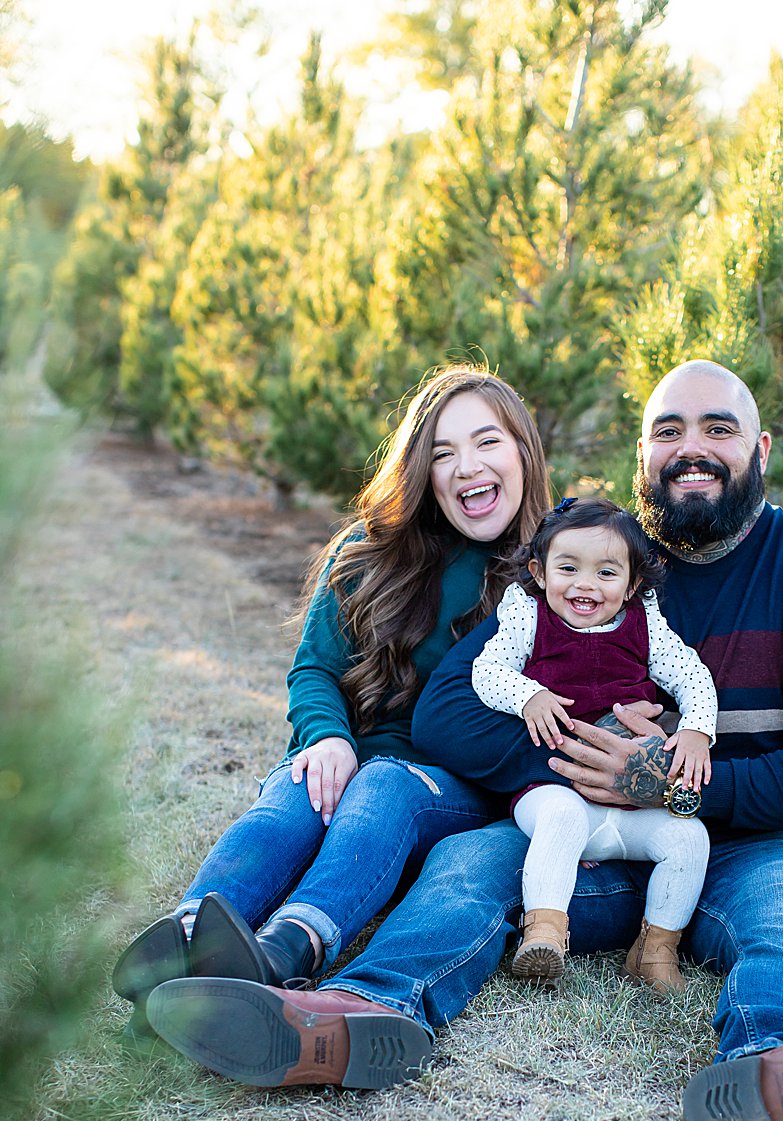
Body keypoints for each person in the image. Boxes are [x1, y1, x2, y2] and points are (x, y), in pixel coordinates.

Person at [143, 359, 783, 1121]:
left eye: (719, 429)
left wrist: (665, 783)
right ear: (641, 455)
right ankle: (354, 1014)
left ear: (760, 449)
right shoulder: (588, 564)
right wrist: (576, 758)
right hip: (586, 843)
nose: (692, 450)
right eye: (668, 431)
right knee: (467, 868)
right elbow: (449, 710)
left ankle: (774, 1064)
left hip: (753, 846)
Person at [118, 365, 552, 1082]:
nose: (466, 467)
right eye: (442, 453)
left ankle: (290, 946)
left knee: (384, 783)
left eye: (486, 443)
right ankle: (192, 939)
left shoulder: (555, 571)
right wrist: (326, 738)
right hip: (354, 758)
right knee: (293, 797)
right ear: (422, 469)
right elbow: (314, 669)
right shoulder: (369, 552)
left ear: (524, 452)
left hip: (456, 787)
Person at [471, 496, 718, 992]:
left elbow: (693, 675)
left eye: (607, 573)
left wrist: (696, 729)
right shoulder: (528, 615)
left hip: (628, 809)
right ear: (540, 573)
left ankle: (656, 949)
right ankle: (544, 932)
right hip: (552, 791)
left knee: (691, 839)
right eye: (568, 568)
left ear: (632, 584)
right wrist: (529, 695)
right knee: (561, 816)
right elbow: (487, 670)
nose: (585, 584)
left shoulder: (645, 624)